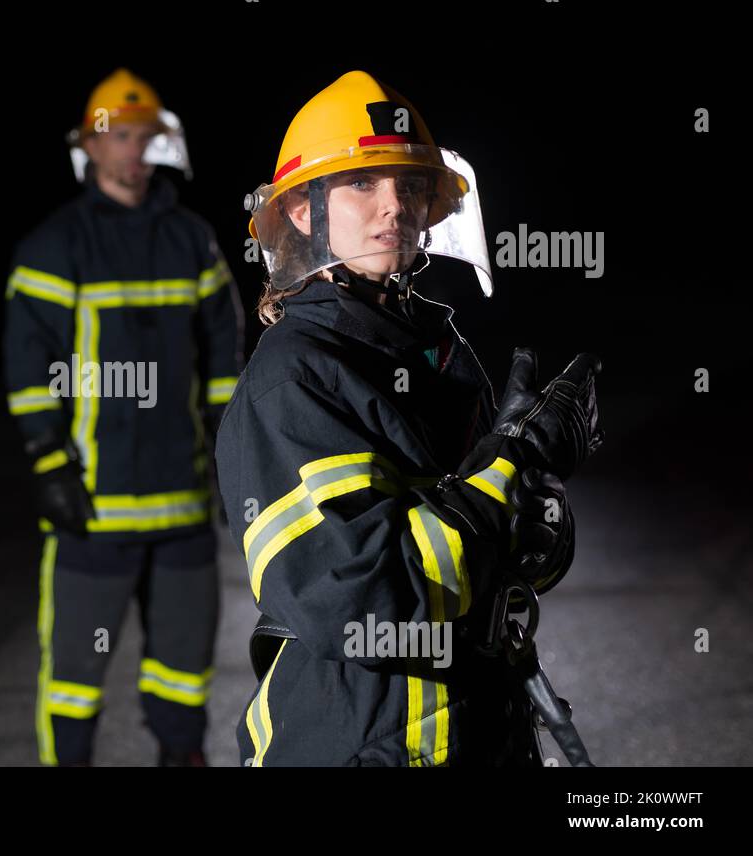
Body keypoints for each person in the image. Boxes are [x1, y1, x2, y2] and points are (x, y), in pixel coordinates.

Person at [216, 70, 603, 766]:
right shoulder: (295, 377)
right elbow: (364, 603)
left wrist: (540, 497)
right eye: (362, 183)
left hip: (481, 728)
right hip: (364, 742)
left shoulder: (435, 350)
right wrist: (510, 467)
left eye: (410, 185)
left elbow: (510, 566)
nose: (393, 206)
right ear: (303, 211)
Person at [3, 69, 244, 766]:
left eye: (146, 138)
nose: (135, 151)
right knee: (73, 685)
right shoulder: (54, 245)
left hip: (182, 514)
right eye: (121, 137)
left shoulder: (192, 239)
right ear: (90, 145)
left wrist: (233, 462)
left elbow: (225, 355)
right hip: (92, 512)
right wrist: (49, 461)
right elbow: (28, 366)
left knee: (183, 678)